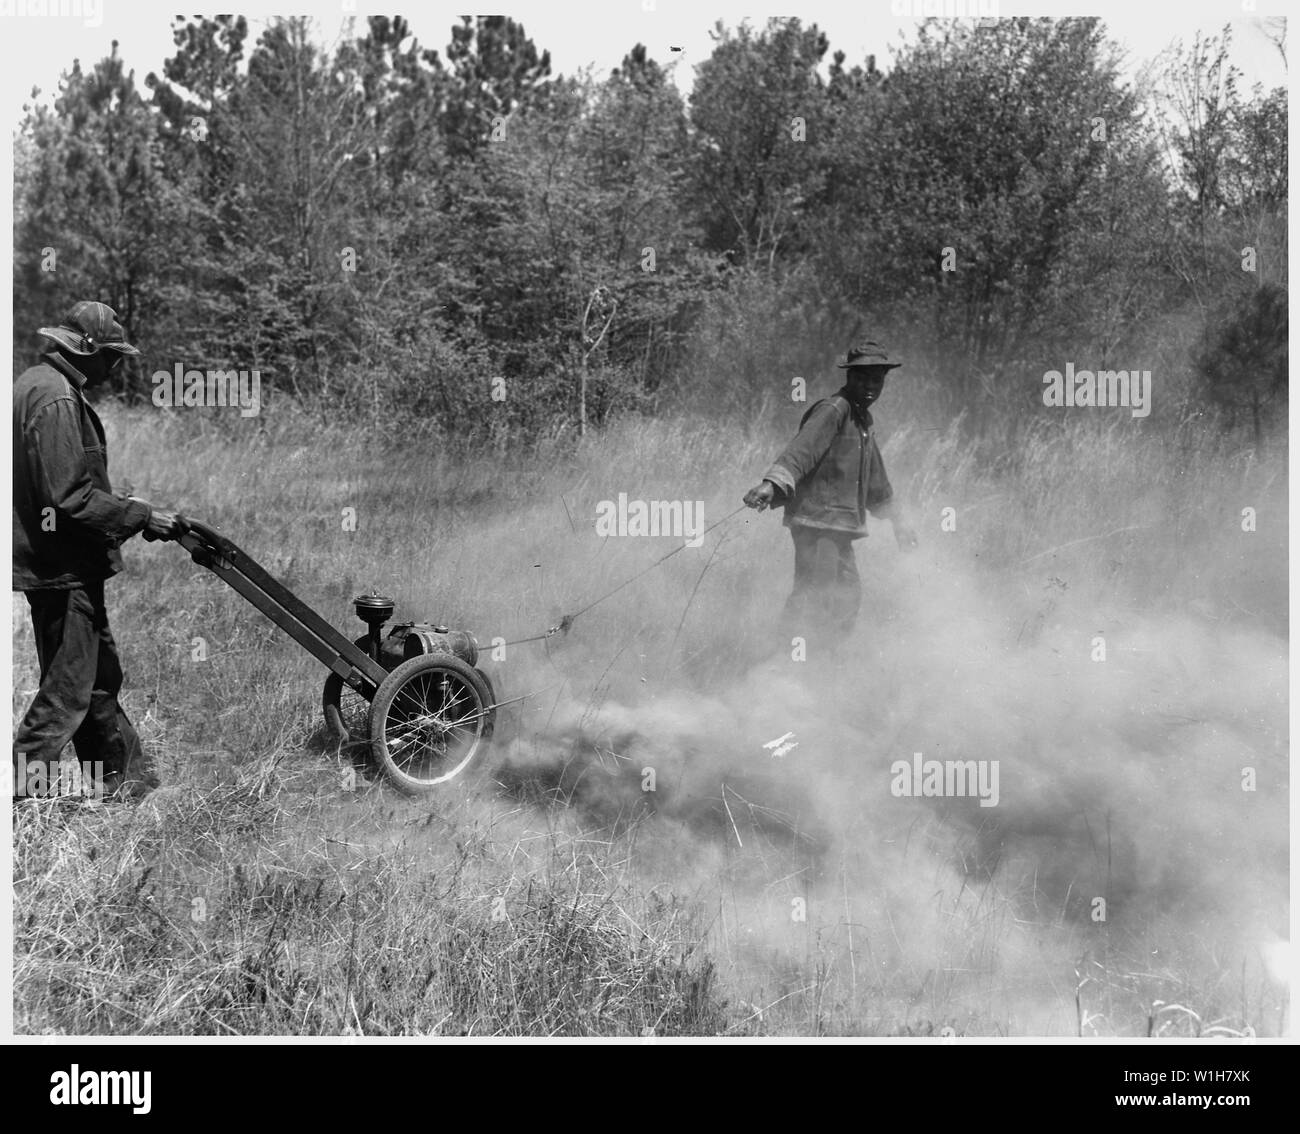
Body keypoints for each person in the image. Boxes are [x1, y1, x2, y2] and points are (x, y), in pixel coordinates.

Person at [12, 301, 178, 802]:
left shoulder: (36, 384)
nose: (116, 365)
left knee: (99, 680)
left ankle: (128, 788)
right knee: (66, 694)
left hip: (63, 564)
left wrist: (120, 504)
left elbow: (64, 486)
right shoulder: (56, 399)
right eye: (111, 355)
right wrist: (140, 516)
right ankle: (19, 807)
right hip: (61, 568)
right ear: (84, 349)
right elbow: (67, 500)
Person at [743, 340, 917, 647]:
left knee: (846, 598)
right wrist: (772, 483)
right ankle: (785, 664)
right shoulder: (834, 409)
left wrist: (899, 522)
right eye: (862, 377)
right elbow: (803, 449)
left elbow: (877, 482)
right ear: (849, 377)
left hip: (839, 528)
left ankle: (823, 666)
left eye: (876, 379)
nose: (869, 385)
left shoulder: (862, 421)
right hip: (817, 523)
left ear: (884, 382)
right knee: (815, 594)